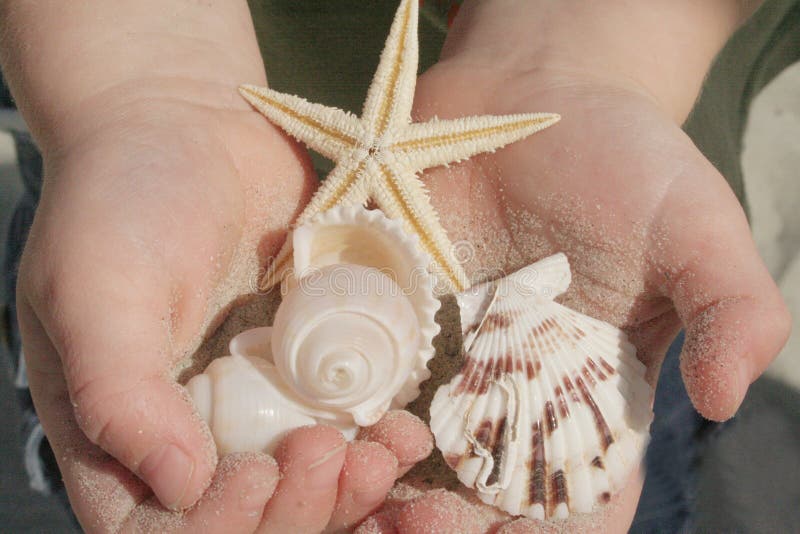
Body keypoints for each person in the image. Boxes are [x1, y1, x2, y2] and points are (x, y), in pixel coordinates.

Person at [0, 0, 796, 532]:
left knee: (630, 450)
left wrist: (578, 55)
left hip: (622, 288)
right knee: (120, 386)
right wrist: (132, 91)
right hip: (160, 188)